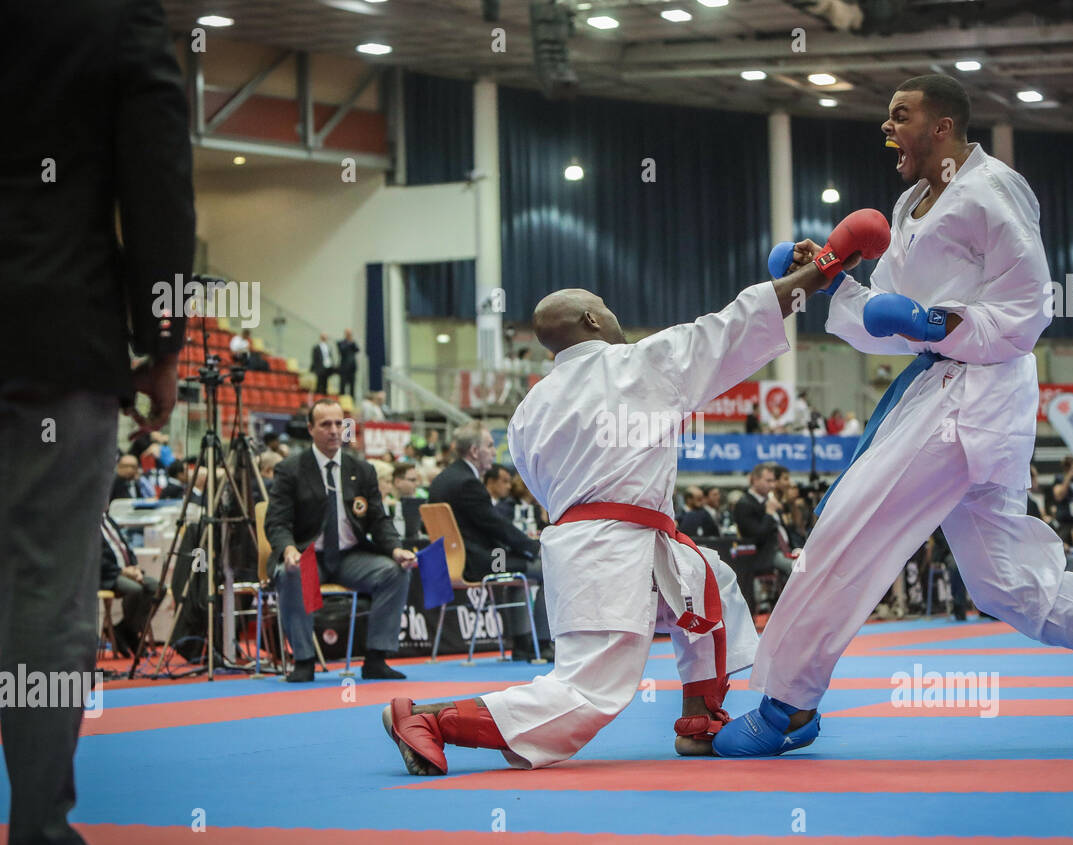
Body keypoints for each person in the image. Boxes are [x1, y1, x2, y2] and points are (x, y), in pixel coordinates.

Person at [714, 74, 1073, 759]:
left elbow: (1030, 307)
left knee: (848, 528)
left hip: (975, 391)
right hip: (942, 386)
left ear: (942, 126)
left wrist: (938, 321)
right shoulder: (912, 202)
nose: (887, 129)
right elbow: (888, 315)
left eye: (900, 116)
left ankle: (787, 706)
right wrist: (828, 279)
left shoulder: (991, 189)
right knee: (1005, 582)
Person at [382, 258, 839, 775]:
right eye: (605, 307)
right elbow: (733, 324)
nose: (614, 314)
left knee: (710, 578)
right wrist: (819, 271)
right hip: (607, 553)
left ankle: (700, 720)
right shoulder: (641, 363)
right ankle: (429, 719)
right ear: (593, 322)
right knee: (588, 693)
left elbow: (540, 485)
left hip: (598, 537)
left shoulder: (529, 407)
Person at [0, 0, 193, 845]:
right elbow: (156, 184)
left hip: (51, 335)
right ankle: (38, 835)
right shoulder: (112, 16)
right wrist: (162, 343)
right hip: (50, 332)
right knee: (44, 589)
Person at [265, 399, 417, 682]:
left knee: (395, 572)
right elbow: (277, 521)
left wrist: (396, 549)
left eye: (339, 424)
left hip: (350, 556)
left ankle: (375, 658)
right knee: (292, 572)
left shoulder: (362, 470)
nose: (334, 430)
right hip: (308, 555)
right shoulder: (291, 470)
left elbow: (378, 520)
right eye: (325, 424)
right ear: (310, 429)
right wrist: (287, 550)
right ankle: (304, 659)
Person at [426, 423, 552, 660]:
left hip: (449, 563)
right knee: (546, 567)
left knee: (517, 566)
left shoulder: (442, 479)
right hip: (479, 563)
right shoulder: (468, 483)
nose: (494, 452)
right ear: (474, 451)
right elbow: (496, 526)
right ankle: (543, 643)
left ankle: (523, 643)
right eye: (490, 446)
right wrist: (533, 547)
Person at [100, 511, 162, 656]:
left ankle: (124, 630)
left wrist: (135, 568)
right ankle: (130, 635)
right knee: (135, 589)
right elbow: (97, 559)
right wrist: (123, 571)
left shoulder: (110, 520)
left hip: (129, 570)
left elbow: (127, 547)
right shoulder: (88, 524)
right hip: (109, 574)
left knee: (158, 588)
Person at [337, 329, 360, 399]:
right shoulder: (341, 342)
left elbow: (357, 349)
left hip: (352, 368)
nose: (350, 335)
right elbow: (342, 351)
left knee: (352, 387)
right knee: (342, 386)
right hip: (344, 368)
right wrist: (348, 343)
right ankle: (342, 401)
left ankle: (352, 401)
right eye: (348, 334)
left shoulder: (353, 343)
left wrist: (351, 342)